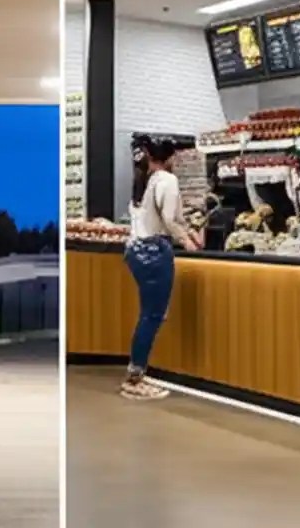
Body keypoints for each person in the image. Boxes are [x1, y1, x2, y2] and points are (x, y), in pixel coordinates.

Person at [121, 134, 200, 401]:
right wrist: (187, 241)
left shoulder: (140, 182)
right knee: (151, 317)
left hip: (135, 251)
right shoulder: (167, 180)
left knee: (148, 315)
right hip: (155, 252)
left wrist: (184, 230)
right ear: (167, 158)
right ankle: (135, 379)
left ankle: (136, 374)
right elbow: (168, 219)